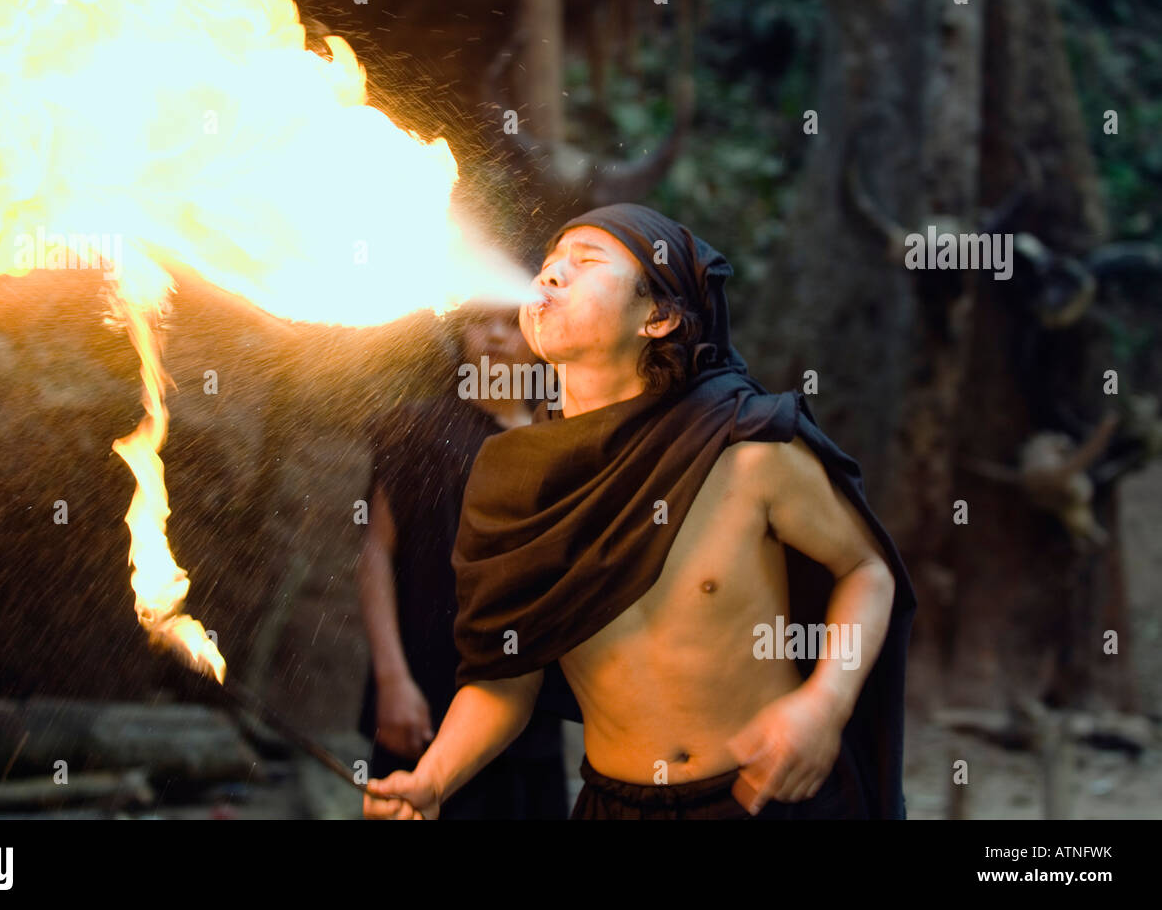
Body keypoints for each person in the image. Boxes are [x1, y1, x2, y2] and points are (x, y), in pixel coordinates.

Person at [363, 203, 916, 820]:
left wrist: (825, 704)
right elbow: (505, 679)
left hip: (766, 800)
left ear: (656, 316)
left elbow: (866, 569)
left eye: (585, 262)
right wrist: (433, 779)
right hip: (611, 805)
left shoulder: (747, 449)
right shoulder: (513, 480)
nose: (550, 276)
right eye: (547, 266)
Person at [356, 303, 568, 819]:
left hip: (529, 706)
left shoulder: (561, 441)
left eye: (510, 322)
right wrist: (392, 679)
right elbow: (376, 553)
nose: (494, 335)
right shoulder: (416, 427)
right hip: (425, 690)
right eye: (479, 321)